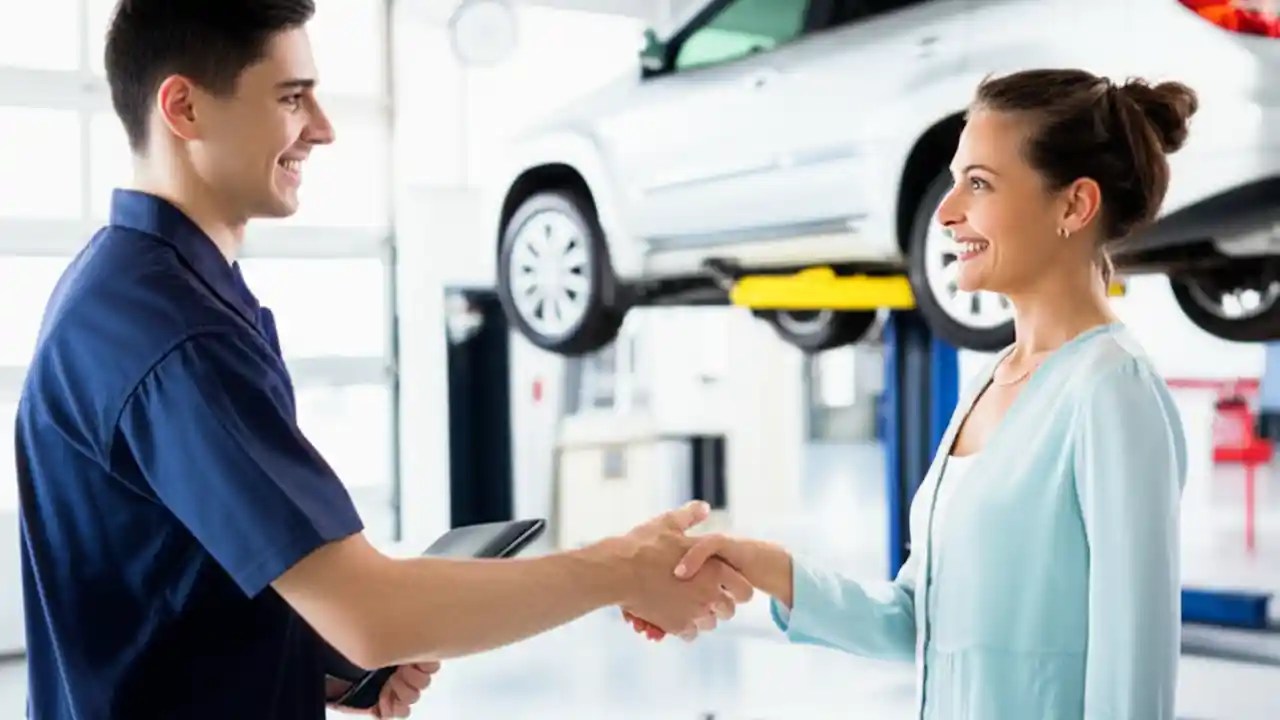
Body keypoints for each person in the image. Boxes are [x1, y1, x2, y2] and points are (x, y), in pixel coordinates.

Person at [14, 2, 749, 719]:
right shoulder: (174, 336)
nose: (324, 129)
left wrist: (327, 669)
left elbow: (177, 580)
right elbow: (370, 613)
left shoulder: (136, 291)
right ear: (184, 108)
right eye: (292, 97)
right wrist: (621, 568)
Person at [629, 68, 1198, 719]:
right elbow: (917, 622)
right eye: (955, 181)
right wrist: (762, 565)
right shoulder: (991, 381)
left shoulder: (1110, 392)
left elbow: (1135, 679)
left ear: (1073, 205)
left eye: (978, 184)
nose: (948, 211)